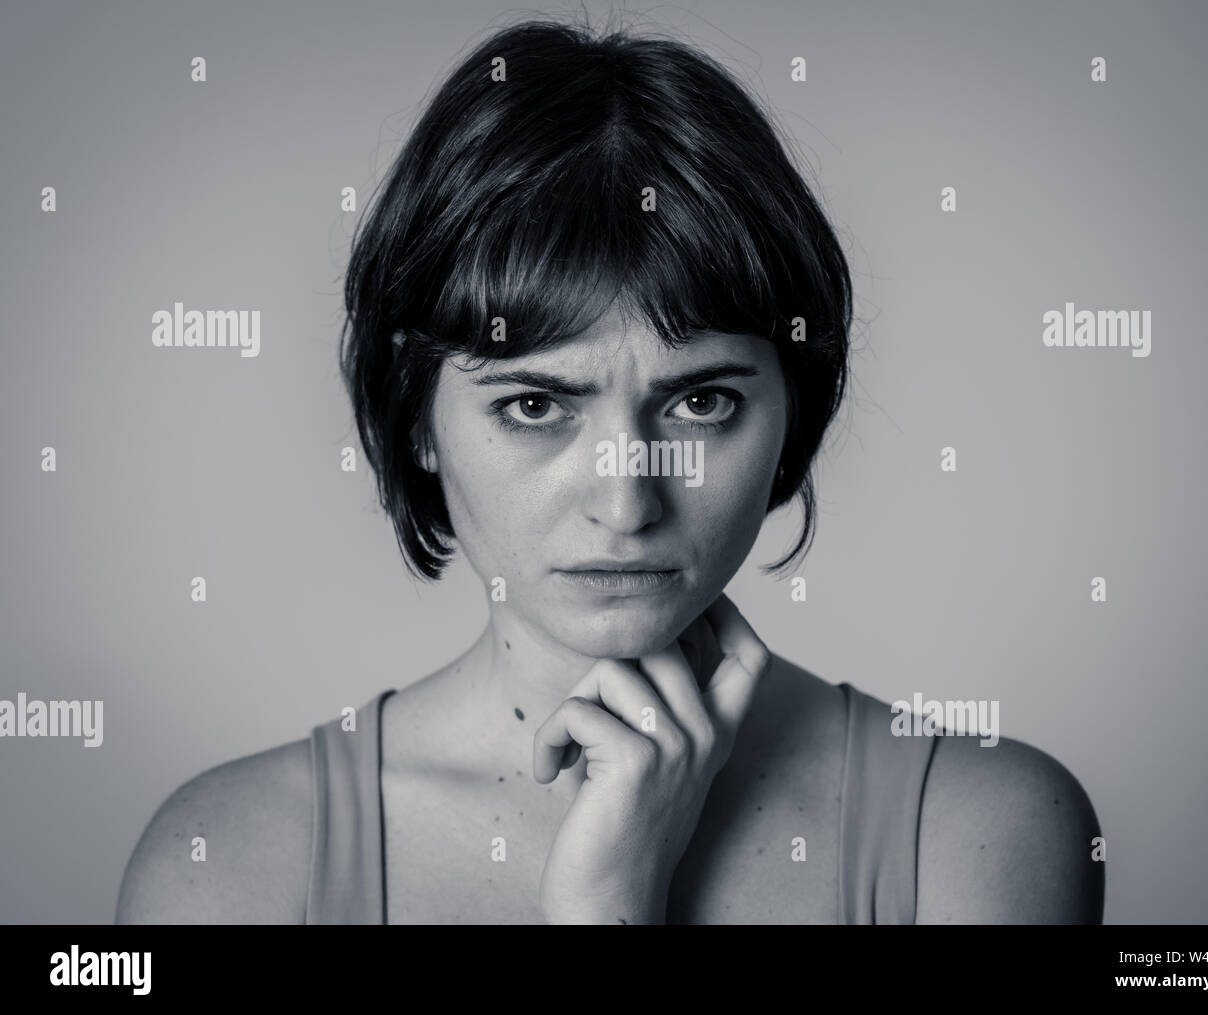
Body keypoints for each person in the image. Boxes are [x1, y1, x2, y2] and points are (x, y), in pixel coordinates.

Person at [116, 16, 1103, 924]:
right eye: (536, 406)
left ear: (792, 409)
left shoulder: (978, 834)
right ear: (416, 416)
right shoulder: (229, 865)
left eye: (701, 401)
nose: (627, 501)